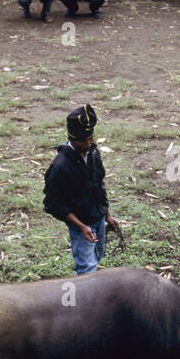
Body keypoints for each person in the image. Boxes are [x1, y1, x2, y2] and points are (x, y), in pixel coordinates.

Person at [44, 104, 119, 275]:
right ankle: (83, 300)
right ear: (72, 138)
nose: (88, 143)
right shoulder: (60, 166)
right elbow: (53, 204)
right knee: (86, 268)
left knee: (97, 257)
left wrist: (106, 214)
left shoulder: (93, 153)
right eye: (83, 141)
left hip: (98, 217)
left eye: (91, 139)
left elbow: (99, 184)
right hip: (81, 224)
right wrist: (81, 226)